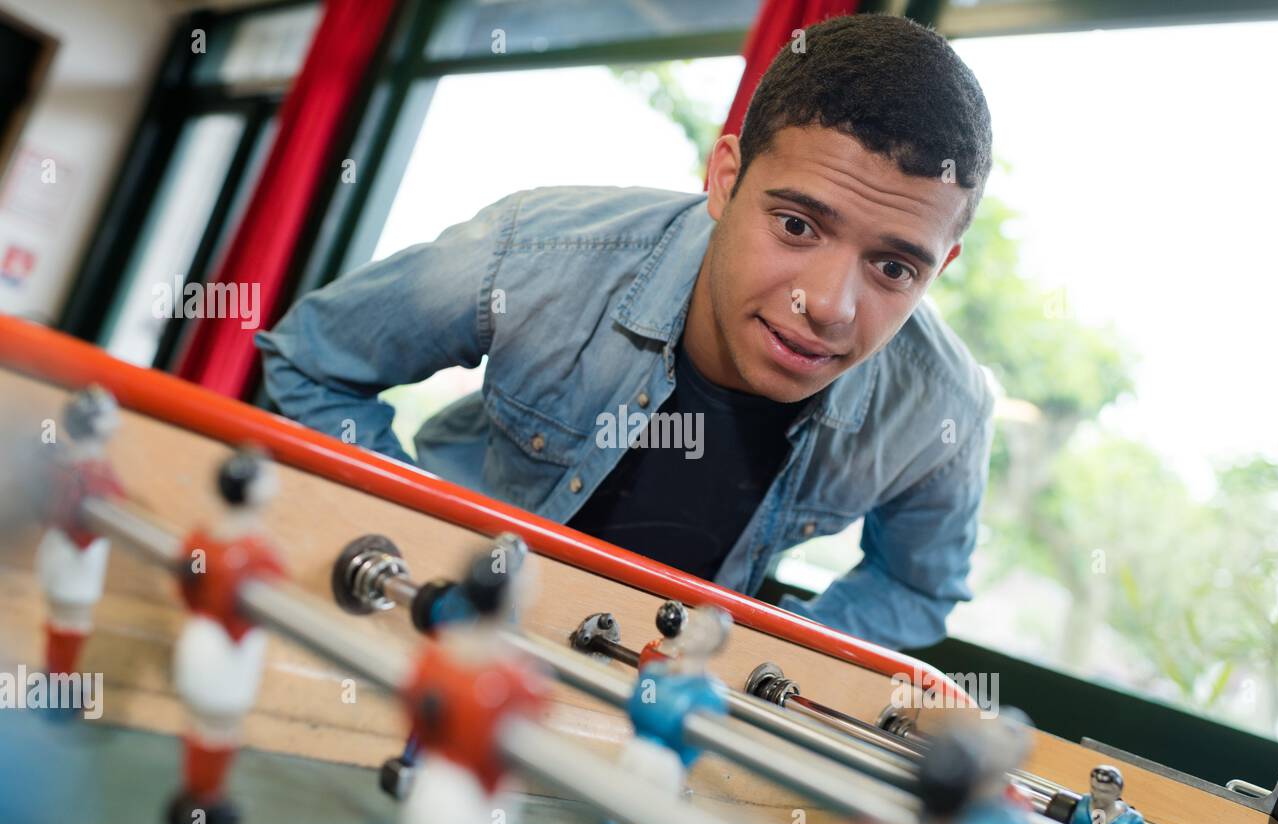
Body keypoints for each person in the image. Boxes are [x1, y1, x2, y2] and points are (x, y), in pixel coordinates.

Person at [256, 14, 995, 650]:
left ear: (943, 265)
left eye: (894, 267)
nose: (830, 305)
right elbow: (313, 363)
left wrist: (766, 655)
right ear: (725, 177)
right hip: (422, 633)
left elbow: (916, 583)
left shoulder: (943, 409)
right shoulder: (536, 253)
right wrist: (428, 555)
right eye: (797, 224)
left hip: (645, 702)